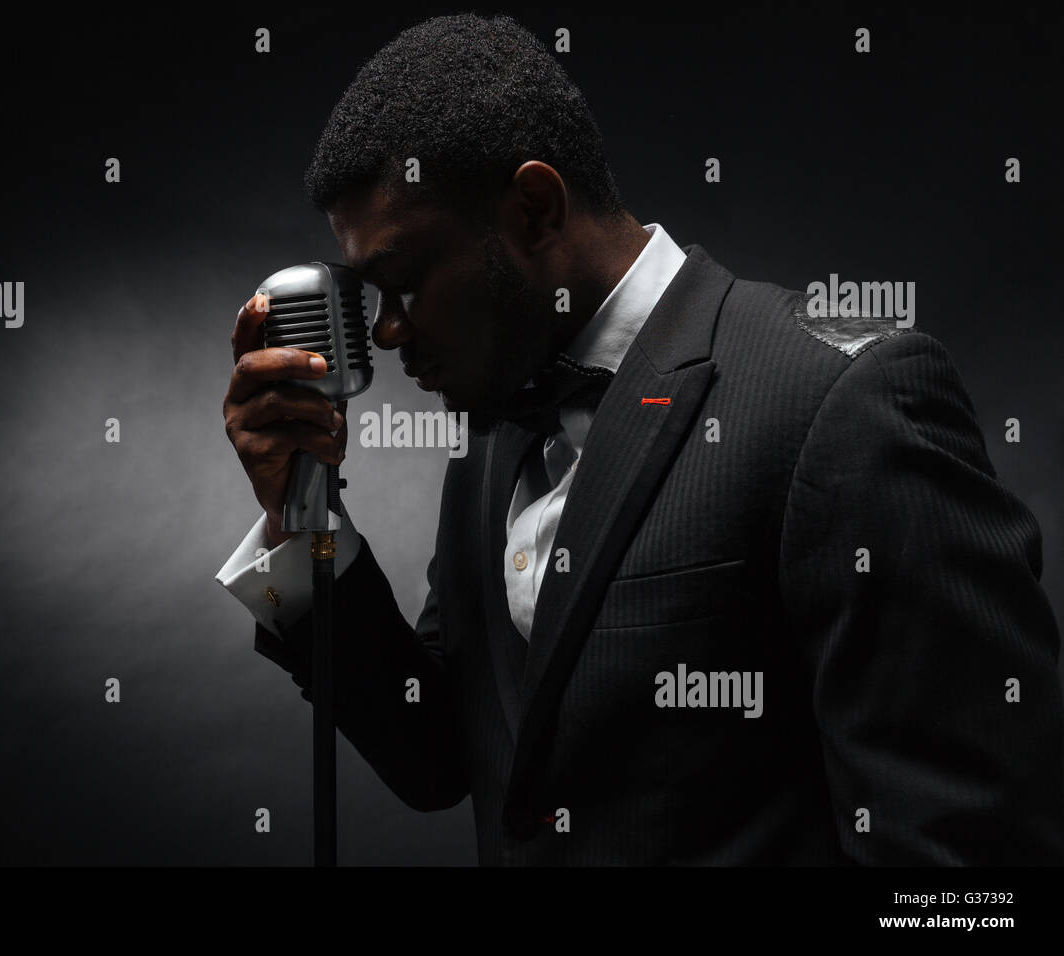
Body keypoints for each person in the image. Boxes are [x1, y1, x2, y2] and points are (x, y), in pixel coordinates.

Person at [216, 13, 1063, 864]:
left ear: (536, 208)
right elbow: (439, 756)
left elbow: (969, 863)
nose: (389, 332)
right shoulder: (493, 418)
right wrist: (302, 522)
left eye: (402, 283)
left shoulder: (842, 402)